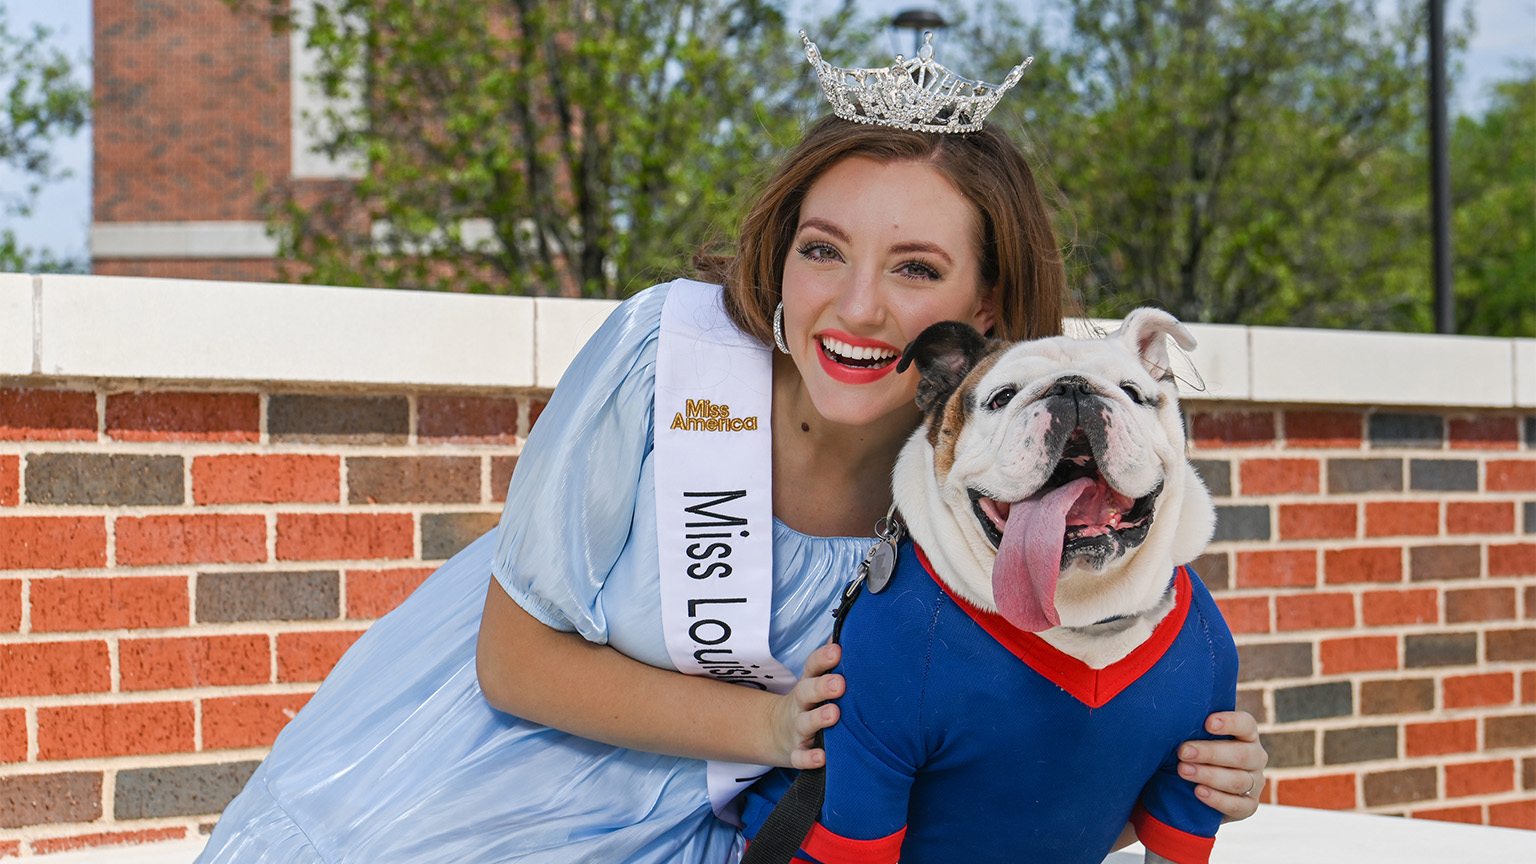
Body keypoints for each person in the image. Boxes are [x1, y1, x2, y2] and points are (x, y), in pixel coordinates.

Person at [197, 33, 1266, 864]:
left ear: (982, 306)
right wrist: (771, 726)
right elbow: (513, 662)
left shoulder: (1002, 476)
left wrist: (1182, 782)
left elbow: (988, 781)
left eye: (914, 269)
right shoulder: (668, 361)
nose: (853, 307)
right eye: (823, 250)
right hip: (481, 791)